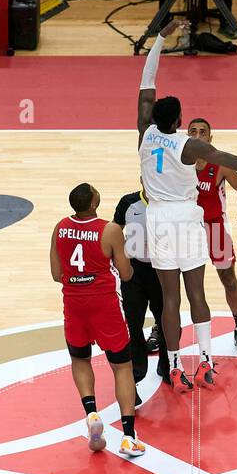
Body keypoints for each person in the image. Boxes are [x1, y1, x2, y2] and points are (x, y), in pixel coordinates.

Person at [136, 19, 237, 388]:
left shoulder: (144, 135)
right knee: (197, 293)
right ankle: (206, 360)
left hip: (157, 218)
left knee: (169, 298)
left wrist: (161, 36)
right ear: (179, 121)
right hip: (188, 218)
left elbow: (147, 83)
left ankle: (174, 365)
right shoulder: (189, 146)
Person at [51, 184, 146, 457]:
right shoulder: (109, 230)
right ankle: (128, 436)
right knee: (122, 368)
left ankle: (92, 414)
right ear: (93, 203)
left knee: (80, 360)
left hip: (74, 304)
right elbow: (127, 274)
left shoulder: (60, 227)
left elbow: (57, 273)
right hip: (104, 304)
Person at [188, 118, 237, 355]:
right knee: (170, 280)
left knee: (228, 279)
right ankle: (159, 328)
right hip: (185, 229)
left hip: (214, 227)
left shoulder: (220, 164)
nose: (197, 135)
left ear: (210, 138)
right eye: (193, 131)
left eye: (202, 132)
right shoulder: (177, 162)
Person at [114, 182, 169, 385]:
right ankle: (137, 369)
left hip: (161, 269)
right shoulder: (128, 202)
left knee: (165, 319)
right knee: (133, 322)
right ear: (141, 179)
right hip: (133, 271)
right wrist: (121, 261)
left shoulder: (167, 203)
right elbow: (115, 230)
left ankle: (167, 364)